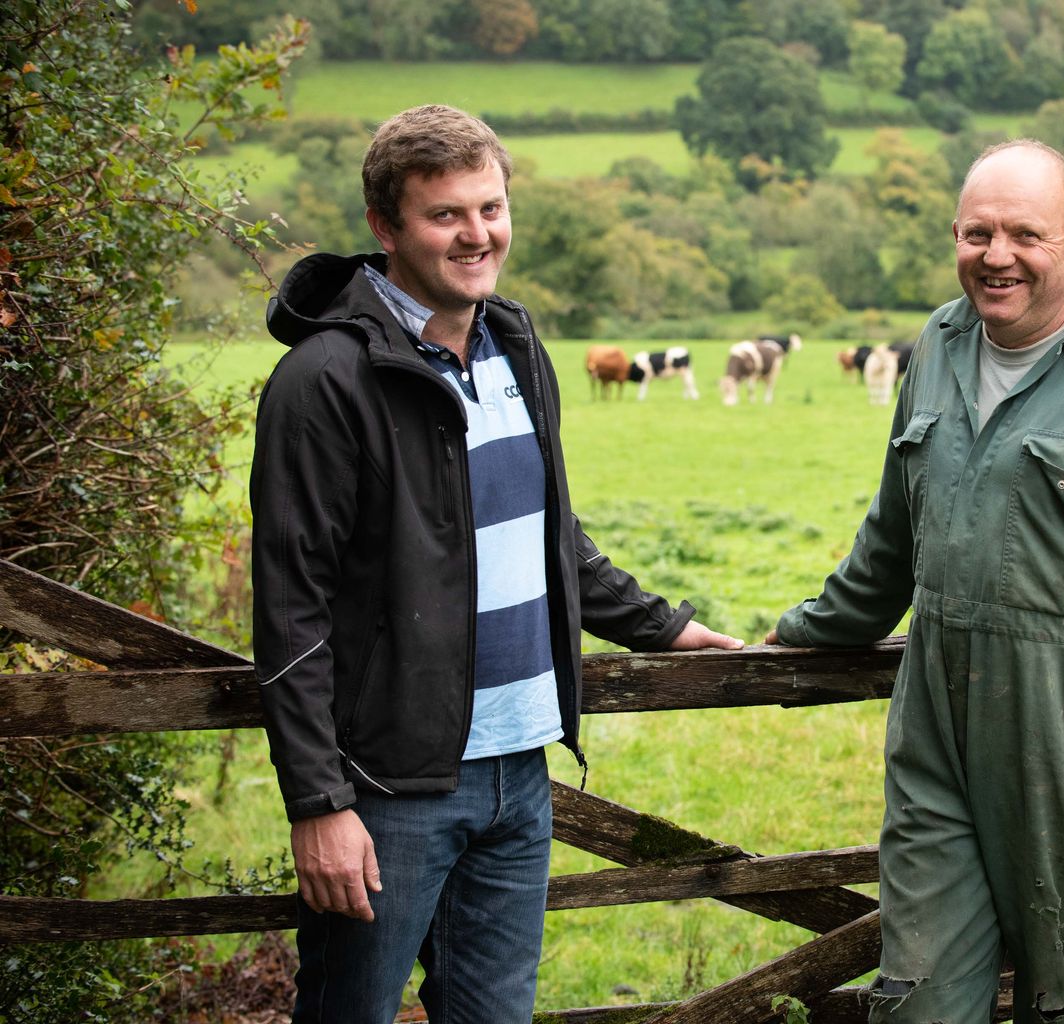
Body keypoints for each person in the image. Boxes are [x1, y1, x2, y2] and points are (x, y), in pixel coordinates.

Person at [250, 104, 743, 1024]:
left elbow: (543, 531)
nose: (477, 234)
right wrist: (318, 800)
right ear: (385, 228)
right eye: (446, 215)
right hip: (390, 788)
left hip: (521, 769)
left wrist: (661, 624)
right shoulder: (324, 381)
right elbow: (290, 607)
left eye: (491, 207)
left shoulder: (512, 343)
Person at [765, 139, 1064, 1023]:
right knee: (917, 999)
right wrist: (804, 629)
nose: (996, 256)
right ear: (953, 234)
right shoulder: (939, 346)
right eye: (976, 232)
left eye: (1024, 234)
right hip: (936, 732)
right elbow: (893, 538)